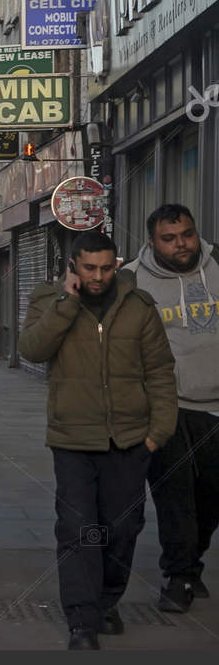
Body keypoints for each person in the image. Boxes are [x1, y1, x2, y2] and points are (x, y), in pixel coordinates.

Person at [18, 230, 178, 650]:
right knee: (78, 529)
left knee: (122, 528)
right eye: (89, 268)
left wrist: (158, 433)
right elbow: (31, 349)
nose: (98, 276)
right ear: (73, 265)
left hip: (129, 439)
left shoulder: (138, 305)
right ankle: (82, 621)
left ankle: (107, 600)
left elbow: (160, 370)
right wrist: (67, 303)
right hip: (73, 439)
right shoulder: (49, 300)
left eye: (106, 268)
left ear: (116, 265)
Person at [125, 203, 219, 613]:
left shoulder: (218, 265)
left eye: (187, 235)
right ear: (152, 241)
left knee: (211, 495)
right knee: (174, 495)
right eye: (169, 238)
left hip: (215, 404)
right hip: (164, 405)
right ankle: (178, 576)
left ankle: (191, 561)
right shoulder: (131, 280)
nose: (181, 244)